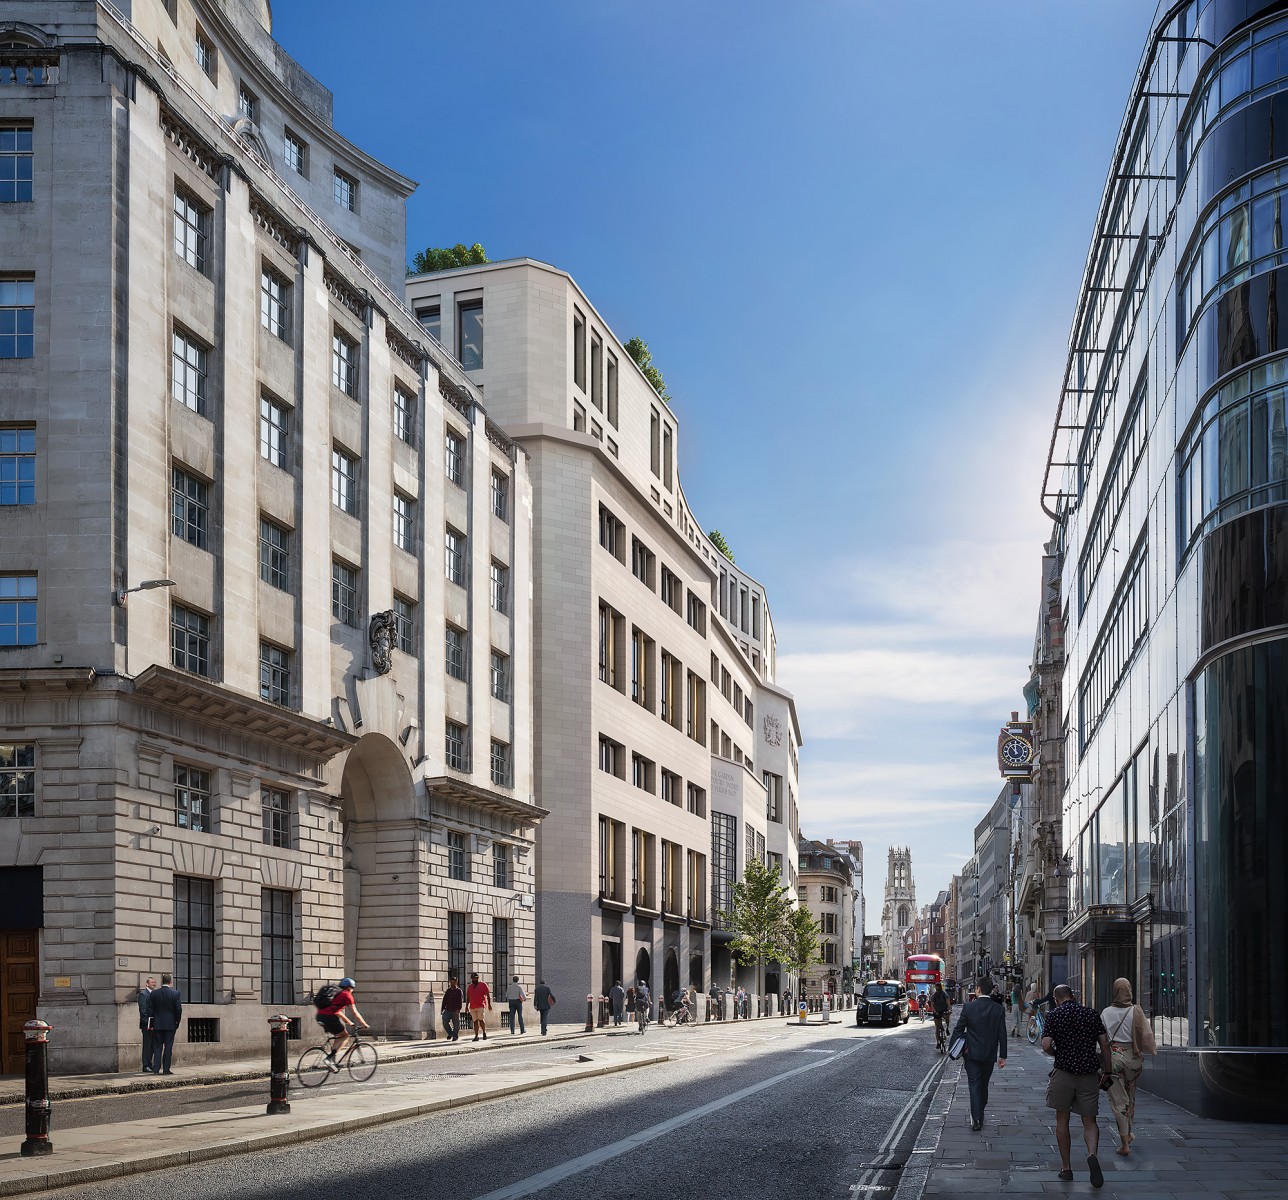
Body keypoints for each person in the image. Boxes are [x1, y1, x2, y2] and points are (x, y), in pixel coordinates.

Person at [1042, 983, 1112, 1189]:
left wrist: (1057, 1055)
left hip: (1063, 1073)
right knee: (1089, 1121)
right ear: (1073, 996)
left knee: (1062, 1119)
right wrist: (1107, 1071)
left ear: (1056, 999)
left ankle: (1066, 1168)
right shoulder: (1091, 1014)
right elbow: (1104, 1044)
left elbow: (1046, 1045)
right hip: (1089, 1075)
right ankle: (1092, 1154)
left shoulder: (1054, 1015)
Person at [1100, 977, 1156, 1156]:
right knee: (1130, 1095)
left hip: (1114, 1058)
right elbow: (1146, 1035)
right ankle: (1129, 1133)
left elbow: (1102, 1039)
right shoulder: (1136, 1010)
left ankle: (1124, 1143)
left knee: (1118, 1101)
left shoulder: (1106, 1012)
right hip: (1133, 1059)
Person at [949, 978, 1007, 1131]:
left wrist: (954, 1049)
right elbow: (1002, 1034)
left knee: (974, 1085)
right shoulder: (998, 1009)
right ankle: (980, 1112)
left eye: (976, 988)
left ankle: (977, 1119)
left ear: (979, 989)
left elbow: (958, 1030)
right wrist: (1003, 1056)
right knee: (984, 1085)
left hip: (972, 1054)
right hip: (989, 1055)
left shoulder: (968, 1007)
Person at [316, 976, 368, 1068]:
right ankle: (329, 1058)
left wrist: (349, 1022)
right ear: (349, 987)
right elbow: (355, 1012)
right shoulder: (347, 995)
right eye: (352, 988)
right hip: (329, 1017)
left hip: (320, 1016)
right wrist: (364, 1024)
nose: (352, 990)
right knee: (345, 1036)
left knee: (338, 1037)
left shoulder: (337, 994)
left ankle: (332, 1062)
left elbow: (338, 1012)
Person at [145, 973, 183, 1075]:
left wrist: (151, 1022)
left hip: (157, 1024)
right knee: (168, 1047)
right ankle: (166, 1069)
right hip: (170, 1025)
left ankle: (156, 1069)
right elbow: (178, 1009)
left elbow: (150, 1010)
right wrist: (177, 1021)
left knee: (157, 1047)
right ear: (170, 982)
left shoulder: (154, 994)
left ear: (162, 982)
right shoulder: (175, 994)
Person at [137, 976, 157, 1073]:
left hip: (154, 1023)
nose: (154, 984)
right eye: (152, 982)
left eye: (155, 982)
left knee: (153, 1045)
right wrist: (147, 1024)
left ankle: (150, 1064)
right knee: (147, 1046)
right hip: (147, 1025)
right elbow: (143, 1011)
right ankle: (146, 1065)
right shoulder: (143, 994)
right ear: (147, 984)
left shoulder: (155, 994)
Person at [466, 972, 492, 1041]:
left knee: (481, 1020)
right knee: (475, 1021)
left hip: (481, 1005)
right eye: (473, 978)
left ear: (478, 978)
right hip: (472, 1006)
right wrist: (466, 1006)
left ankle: (484, 1032)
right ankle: (476, 1035)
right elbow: (468, 997)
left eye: (475, 978)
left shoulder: (483, 985)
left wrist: (489, 1004)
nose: (474, 979)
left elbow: (488, 995)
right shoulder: (470, 986)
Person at [441, 976, 464, 1042]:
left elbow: (460, 1000)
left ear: (456, 982)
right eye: (451, 982)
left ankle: (455, 1036)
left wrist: (458, 1009)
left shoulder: (459, 991)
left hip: (455, 1010)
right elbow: (444, 1000)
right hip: (448, 1009)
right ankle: (450, 1033)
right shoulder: (448, 991)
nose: (452, 984)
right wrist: (443, 1009)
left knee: (456, 1024)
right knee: (445, 1021)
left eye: (454, 982)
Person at [930, 982, 951, 1047]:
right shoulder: (933, 996)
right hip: (937, 1011)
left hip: (944, 1009)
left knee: (947, 1017)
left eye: (939, 989)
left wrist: (949, 1010)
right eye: (937, 989)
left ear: (941, 988)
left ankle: (947, 1028)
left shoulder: (945, 994)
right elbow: (932, 1005)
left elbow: (948, 1003)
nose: (938, 990)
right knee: (937, 1027)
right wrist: (935, 1012)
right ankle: (938, 1042)